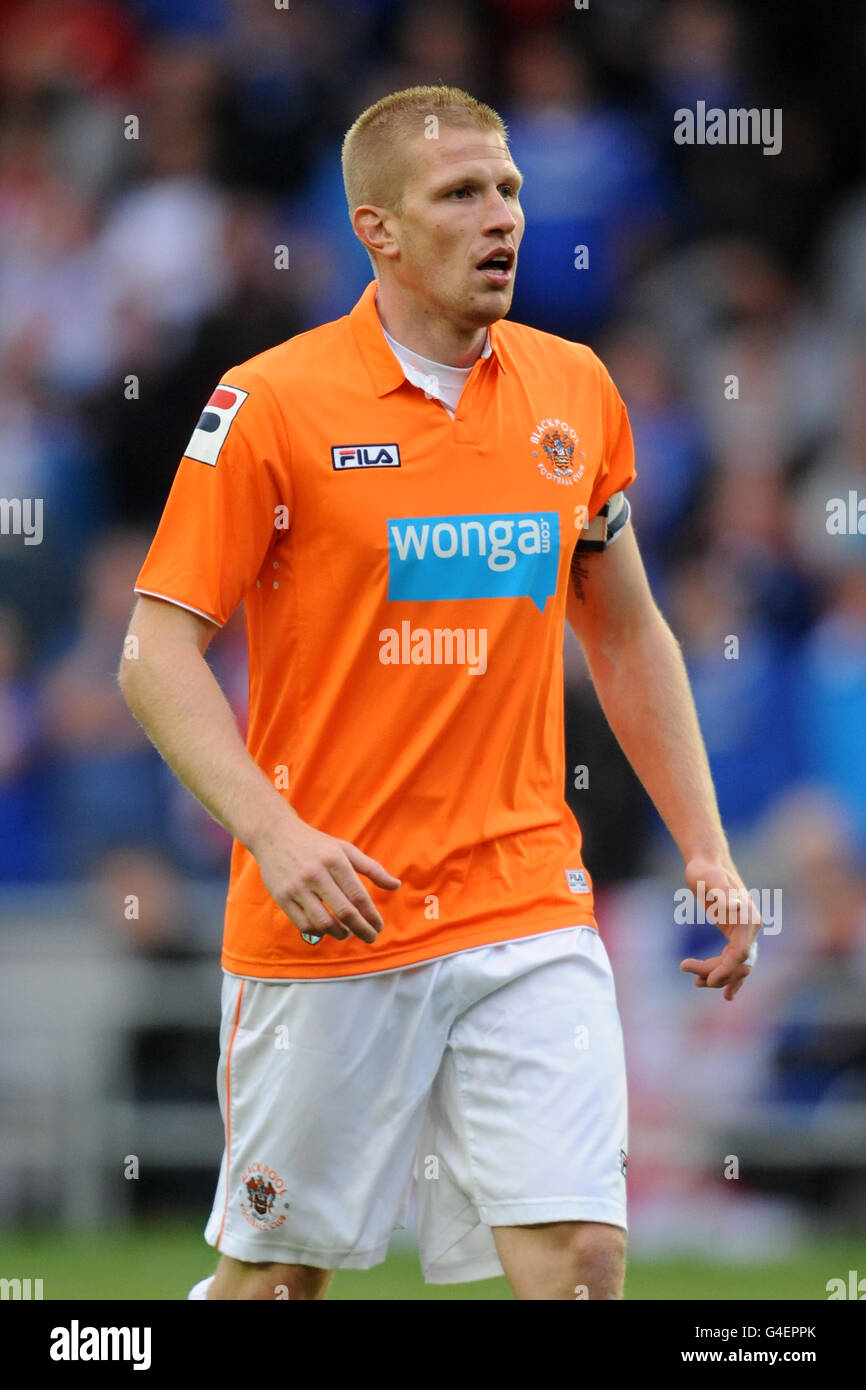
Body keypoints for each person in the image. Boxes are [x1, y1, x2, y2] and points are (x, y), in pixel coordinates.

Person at [118, 84, 761, 1302]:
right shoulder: (269, 404)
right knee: (278, 1285)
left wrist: (708, 849)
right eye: (460, 195)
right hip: (332, 915)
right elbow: (153, 654)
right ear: (379, 230)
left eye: (508, 190)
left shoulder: (574, 390)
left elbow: (624, 629)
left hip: (525, 899)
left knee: (577, 1261)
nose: (500, 218)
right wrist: (274, 833)